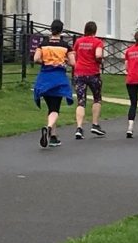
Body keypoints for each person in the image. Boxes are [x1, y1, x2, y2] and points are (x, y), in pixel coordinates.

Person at [33, 19, 75, 148]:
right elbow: (73, 63)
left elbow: (36, 59)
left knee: (50, 107)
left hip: (44, 78)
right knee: (55, 109)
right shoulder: (65, 46)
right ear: (61, 31)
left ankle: (53, 136)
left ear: (51, 29)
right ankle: (49, 127)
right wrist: (64, 60)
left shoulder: (43, 44)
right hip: (58, 79)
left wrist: (45, 62)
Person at [73, 21, 106, 137]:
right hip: (93, 73)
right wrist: (100, 61)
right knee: (97, 98)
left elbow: (74, 54)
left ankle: (79, 128)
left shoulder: (78, 41)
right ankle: (95, 124)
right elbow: (98, 55)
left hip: (79, 73)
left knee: (81, 101)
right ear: (95, 31)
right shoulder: (98, 42)